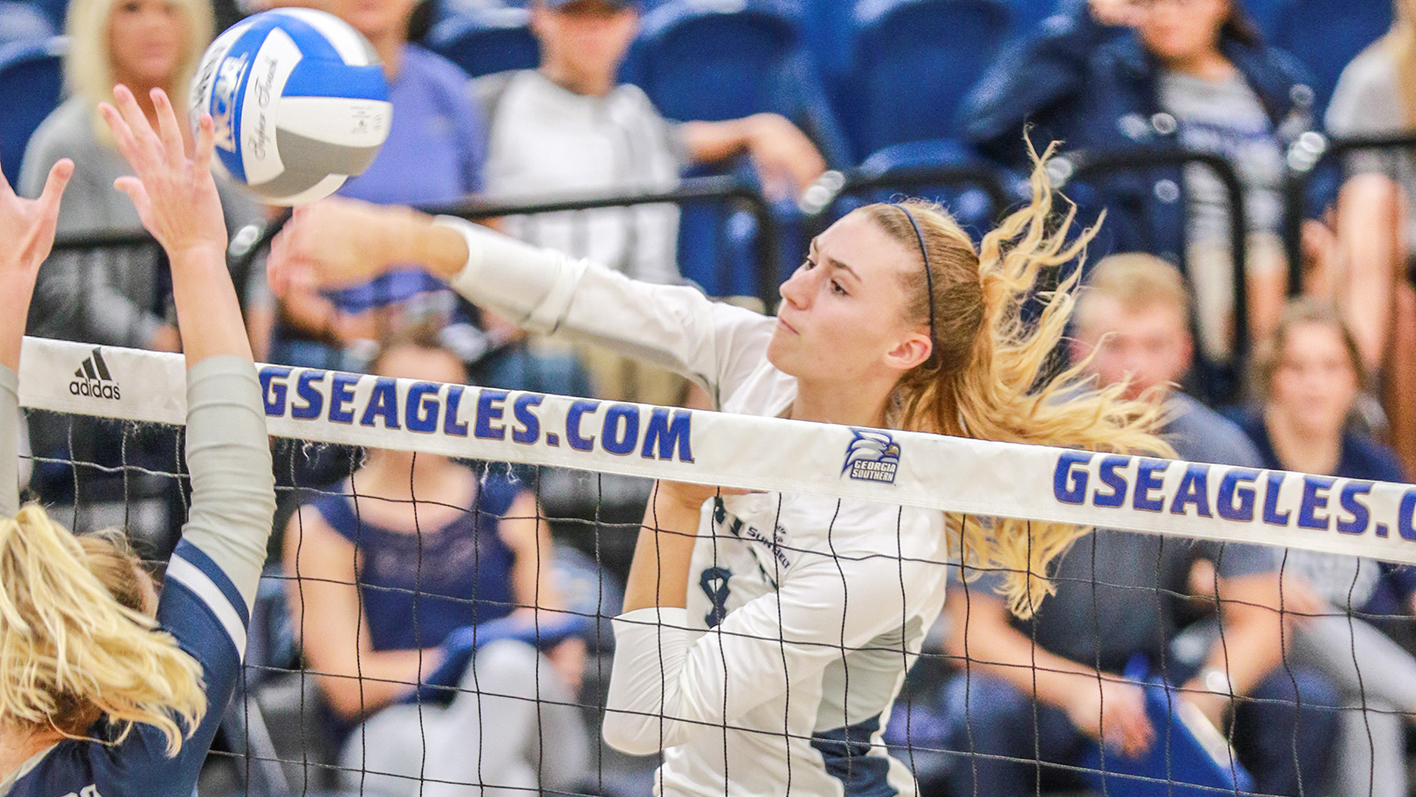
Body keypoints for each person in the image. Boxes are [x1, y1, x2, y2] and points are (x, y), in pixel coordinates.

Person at [264, 145, 1168, 794]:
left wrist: (679, 492)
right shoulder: (759, 360)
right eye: (811, 260)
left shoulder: (886, 541)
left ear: (906, 345)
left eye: (837, 285)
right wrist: (407, 240)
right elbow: (585, 296)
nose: (793, 288)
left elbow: (641, 720)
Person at [934, 253, 1336, 795]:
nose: (1133, 368)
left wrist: (1205, 699)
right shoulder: (1020, 446)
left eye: (1153, 345)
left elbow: (1262, 615)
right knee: (975, 708)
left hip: (1158, 676)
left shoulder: (1215, 448)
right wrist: (1081, 691)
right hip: (1041, 680)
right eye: (1115, 345)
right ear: (1079, 350)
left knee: (1303, 700)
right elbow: (969, 635)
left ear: (1184, 352)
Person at [0, 84, 276, 796]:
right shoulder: (142, 755)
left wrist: (9, 281)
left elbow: (234, 508)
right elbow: (234, 506)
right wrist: (198, 251)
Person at [281, 323, 591, 797]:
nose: (424, 417)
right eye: (408, 400)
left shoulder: (511, 506)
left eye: (442, 400)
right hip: (390, 732)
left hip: (535, 722)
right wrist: (462, 657)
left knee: (507, 667)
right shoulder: (323, 526)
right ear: (367, 407)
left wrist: (483, 662)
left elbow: (561, 654)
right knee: (507, 783)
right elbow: (348, 686)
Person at [474, 0, 828, 404]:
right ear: (540, 16)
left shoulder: (633, 110)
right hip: (556, 316)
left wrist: (759, 128)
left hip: (653, 310)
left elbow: (676, 141)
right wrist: (497, 290)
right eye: (575, 14)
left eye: (607, 15)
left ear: (631, 22)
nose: (592, 30)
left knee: (751, 334)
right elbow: (457, 186)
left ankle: (696, 469)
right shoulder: (494, 102)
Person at [959, 0, 1331, 373]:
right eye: (1149, 3)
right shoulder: (1106, 75)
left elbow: (1317, 162)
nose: (1166, 15)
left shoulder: (1274, 77)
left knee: (1332, 250)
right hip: (1179, 256)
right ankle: (1257, 401)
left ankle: (1353, 398)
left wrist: (1313, 219)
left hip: (1280, 242)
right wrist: (1085, 25)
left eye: (1183, 3)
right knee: (1262, 264)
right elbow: (988, 127)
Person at [1232, 298, 1416, 797]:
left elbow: (1410, 583)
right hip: (1262, 639)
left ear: (1353, 379)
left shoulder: (1375, 467)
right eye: (1297, 367)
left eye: (1331, 367)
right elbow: (1190, 570)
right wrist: (1261, 589)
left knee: (1370, 709)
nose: (1315, 383)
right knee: (1300, 605)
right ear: (1272, 375)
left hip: (1362, 654)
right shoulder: (1236, 449)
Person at [267, 0, 491, 373]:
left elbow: (488, 221)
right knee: (419, 374)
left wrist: (508, 315)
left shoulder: (449, 90)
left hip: (445, 329)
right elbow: (271, 253)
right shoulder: (293, 94)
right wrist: (342, 325)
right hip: (337, 335)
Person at [19, 0, 256, 352]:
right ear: (99, 25)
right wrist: (167, 345)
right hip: (107, 375)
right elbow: (70, 285)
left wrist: (249, 348)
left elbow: (255, 249)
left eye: (168, 9)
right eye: (131, 9)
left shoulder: (222, 124)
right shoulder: (65, 142)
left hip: (229, 355)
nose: (154, 25)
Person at [1325, 0, 1416, 472]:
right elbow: (1348, 197)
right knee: (1405, 316)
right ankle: (1359, 384)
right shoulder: (1375, 79)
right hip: (1392, 260)